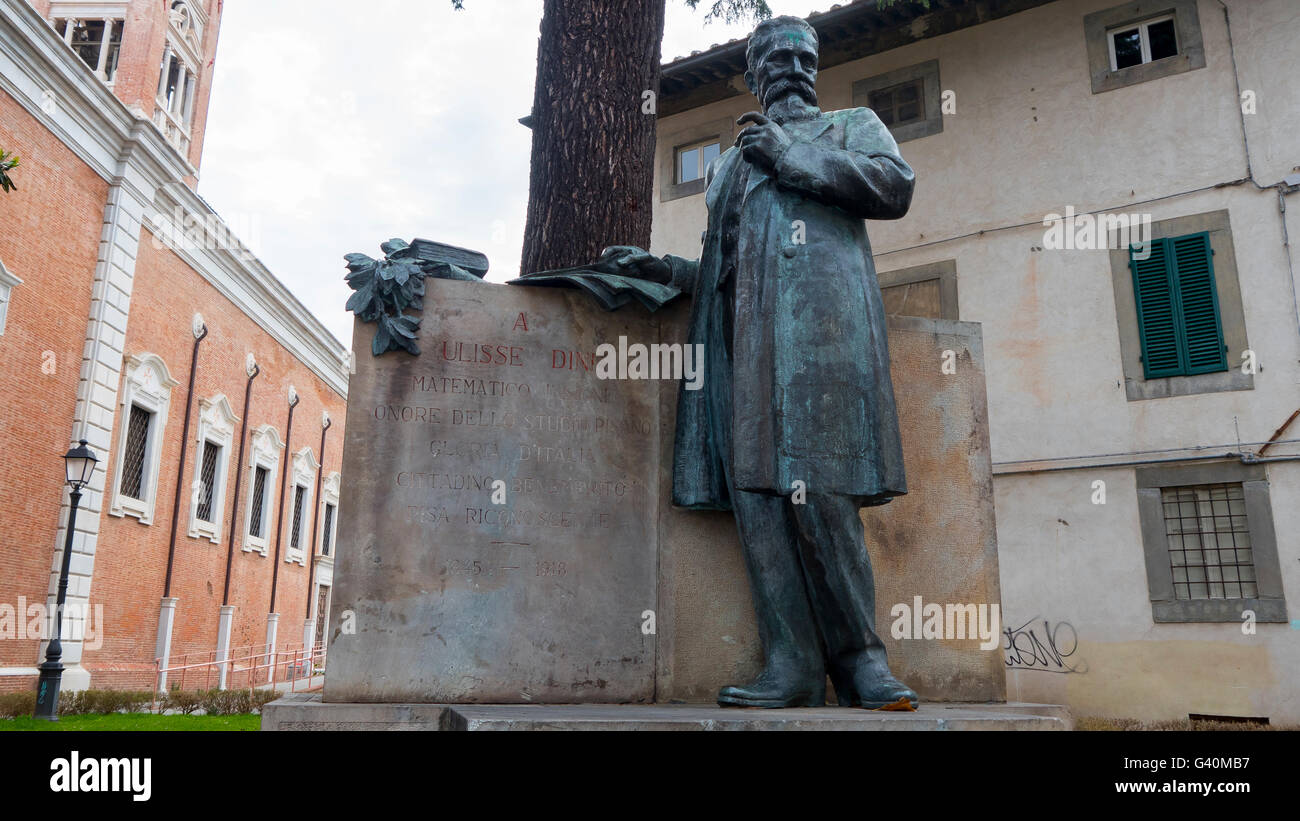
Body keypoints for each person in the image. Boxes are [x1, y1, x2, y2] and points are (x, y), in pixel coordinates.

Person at [599, 15, 918, 709]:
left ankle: (862, 659)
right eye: (775, 58)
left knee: (824, 493)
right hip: (741, 349)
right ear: (753, 76)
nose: (792, 66)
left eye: (803, 55)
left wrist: (791, 158)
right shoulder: (731, 169)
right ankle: (792, 663)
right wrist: (659, 270)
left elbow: (894, 187)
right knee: (762, 504)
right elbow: (722, 264)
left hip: (822, 340)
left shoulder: (852, 124)